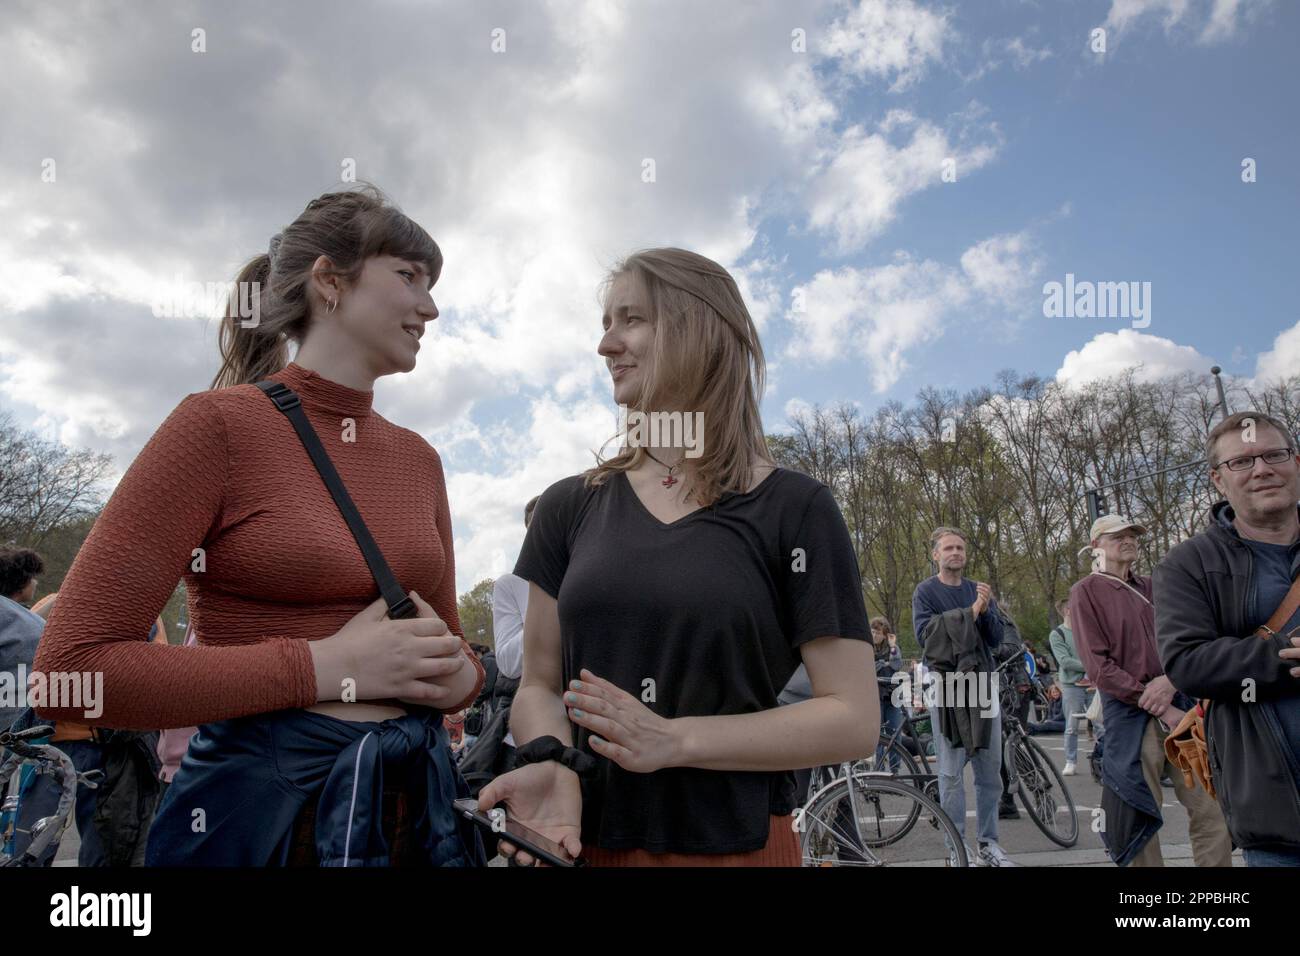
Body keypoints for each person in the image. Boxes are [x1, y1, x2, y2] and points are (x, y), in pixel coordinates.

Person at [33, 185, 486, 867]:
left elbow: (455, 648)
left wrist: (462, 680)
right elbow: (69, 671)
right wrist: (323, 666)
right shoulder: (216, 426)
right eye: (409, 277)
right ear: (330, 281)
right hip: (261, 823)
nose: (431, 306)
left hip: (409, 818)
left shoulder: (420, 460)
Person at [480, 248, 877, 867]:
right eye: (605, 323)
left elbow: (853, 719)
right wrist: (552, 762)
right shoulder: (567, 506)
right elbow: (538, 685)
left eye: (631, 319)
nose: (606, 345)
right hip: (588, 846)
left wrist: (674, 739)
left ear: (702, 330)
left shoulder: (796, 507)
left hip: (743, 848)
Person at [1156, 410, 1300, 866]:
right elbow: (1188, 664)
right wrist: (1284, 657)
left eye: (1274, 455)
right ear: (1219, 480)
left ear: (1296, 462)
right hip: (1279, 818)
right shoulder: (1188, 563)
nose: (1261, 469)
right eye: (1242, 462)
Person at [1071, 514, 1232, 868]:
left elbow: (1191, 639)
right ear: (1096, 546)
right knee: (1138, 816)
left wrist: (1173, 681)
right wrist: (1158, 704)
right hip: (1131, 715)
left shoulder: (1156, 585)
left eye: (1132, 535)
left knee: (1211, 806)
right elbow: (1099, 667)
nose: (1128, 540)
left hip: (1183, 704)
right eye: (1118, 536)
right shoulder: (1085, 593)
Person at [912, 527, 1016, 867]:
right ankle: (957, 848)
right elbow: (927, 636)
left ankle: (989, 843)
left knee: (990, 771)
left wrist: (986, 612)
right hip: (948, 686)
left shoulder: (979, 590)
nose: (956, 553)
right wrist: (971, 611)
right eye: (949, 548)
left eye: (960, 548)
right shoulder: (925, 592)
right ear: (936, 555)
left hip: (983, 683)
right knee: (951, 771)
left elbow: (996, 638)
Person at [0, 548, 44, 732]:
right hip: (17, 725)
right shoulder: (15, 617)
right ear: (22, 580)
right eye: (33, 577)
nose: (36, 582)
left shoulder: (18, 614)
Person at [1049, 596, 1092, 775]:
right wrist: (1089, 665)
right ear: (1068, 611)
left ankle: (1103, 759)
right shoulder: (1057, 634)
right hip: (1071, 685)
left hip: (1093, 683)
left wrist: (1092, 672)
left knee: (1100, 723)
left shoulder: (1088, 631)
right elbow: (1065, 661)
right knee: (1072, 725)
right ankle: (1071, 761)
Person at [871, 617, 904, 769]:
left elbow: (896, 665)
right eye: (872, 631)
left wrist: (892, 647)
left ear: (885, 635)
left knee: (895, 736)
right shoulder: (867, 648)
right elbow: (870, 668)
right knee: (878, 738)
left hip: (892, 696)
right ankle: (878, 771)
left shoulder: (893, 648)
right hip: (875, 697)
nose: (874, 635)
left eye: (878, 632)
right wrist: (885, 664)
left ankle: (895, 772)